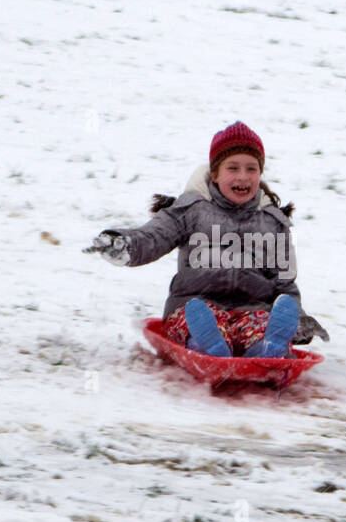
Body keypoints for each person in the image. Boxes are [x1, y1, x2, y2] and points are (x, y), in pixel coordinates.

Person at [86, 122, 327, 358]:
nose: (243, 177)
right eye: (233, 168)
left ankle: (267, 348)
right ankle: (206, 345)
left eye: (251, 169)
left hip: (252, 310)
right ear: (214, 173)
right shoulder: (191, 210)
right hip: (195, 305)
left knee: (263, 324)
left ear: (260, 173)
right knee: (194, 320)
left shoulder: (273, 222)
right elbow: (153, 236)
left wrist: (297, 317)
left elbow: (284, 282)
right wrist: (126, 245)